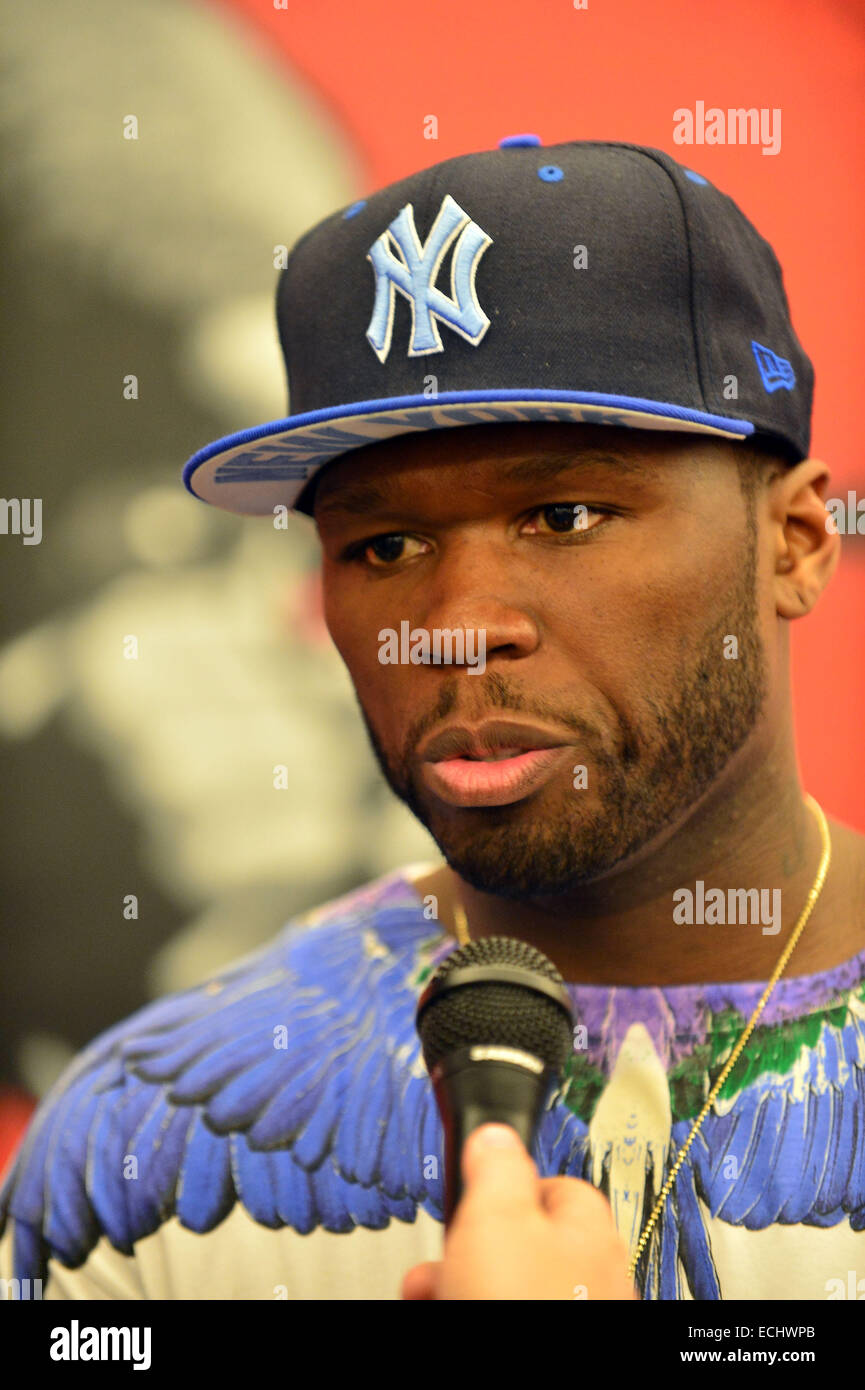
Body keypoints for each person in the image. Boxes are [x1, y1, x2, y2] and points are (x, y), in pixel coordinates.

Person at [2, 137, 863, 1301]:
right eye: (386, 545)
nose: (454, 624)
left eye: (562, 514)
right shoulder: (142, 1140)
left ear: (795, 543)